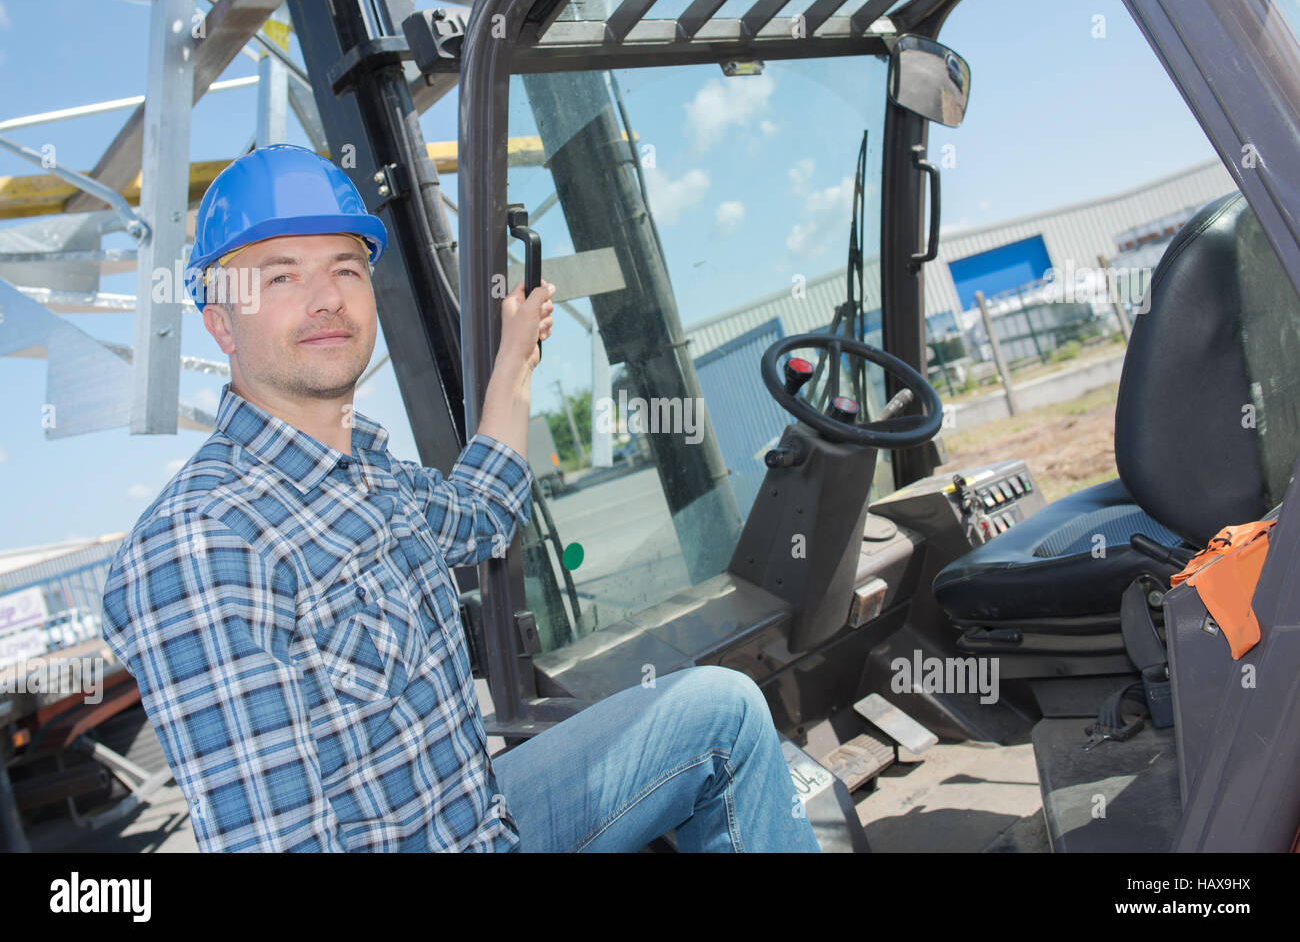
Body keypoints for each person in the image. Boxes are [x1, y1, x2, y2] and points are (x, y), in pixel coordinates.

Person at [101, 143, 820, 853]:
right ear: (220, 321)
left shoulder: (373, 479)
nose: (326, 297)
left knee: (722, 712)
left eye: (345, 268)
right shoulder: (203, 544)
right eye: (282, 276)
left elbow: (483, 506)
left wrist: (513, 358)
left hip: (481, 814)